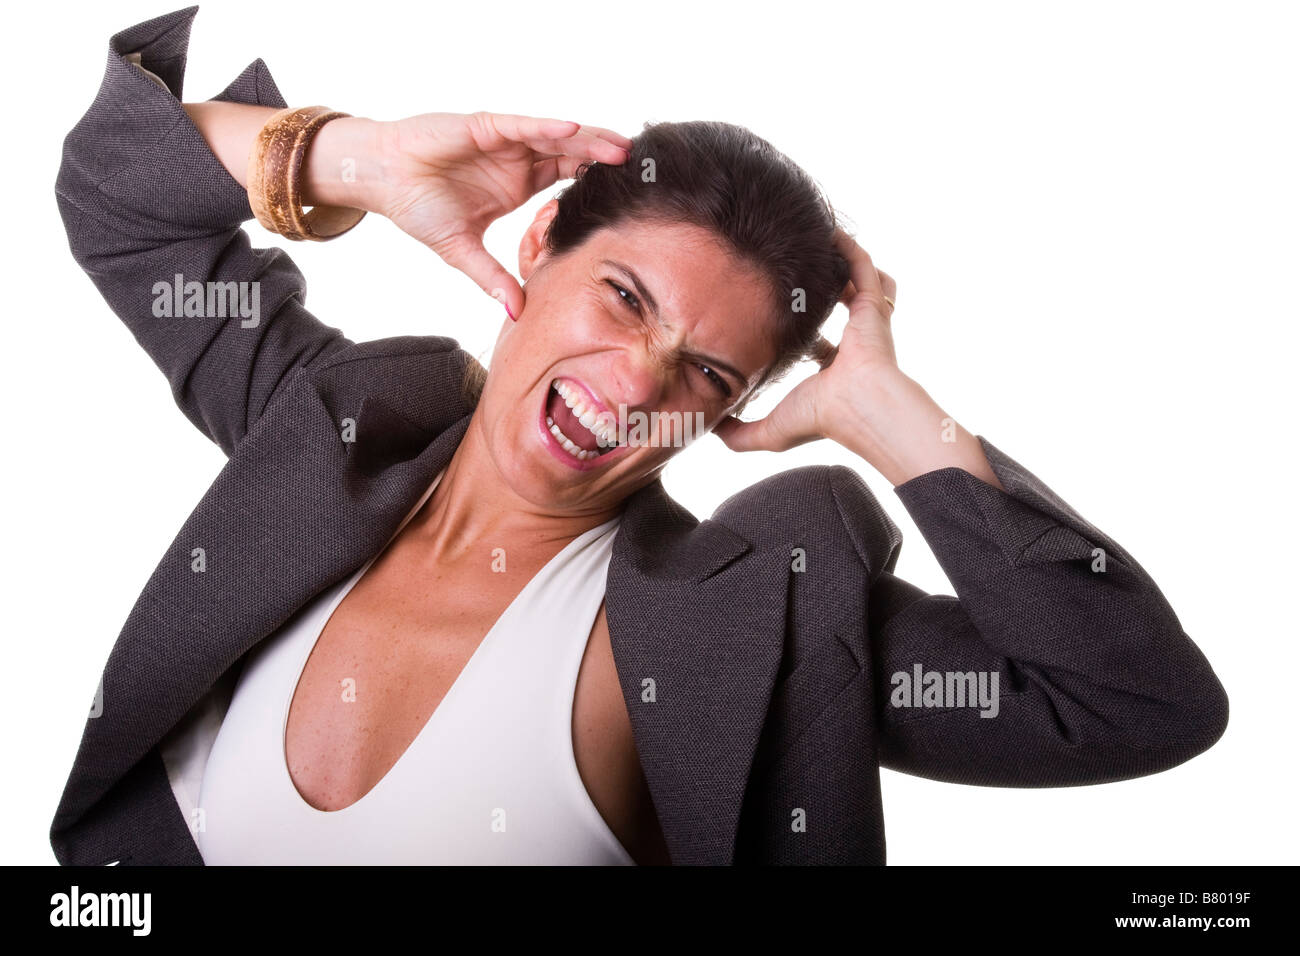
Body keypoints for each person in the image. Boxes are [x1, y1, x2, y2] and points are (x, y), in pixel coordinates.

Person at [49, 7, 1229, 866]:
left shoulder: (748, 627)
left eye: (708, 371)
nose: (635, 383)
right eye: (622, 297)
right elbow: (119, 195)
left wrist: (892, 416)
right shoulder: (328, 430)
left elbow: (1130, 699)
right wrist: (363, 157)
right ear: (539, 242)